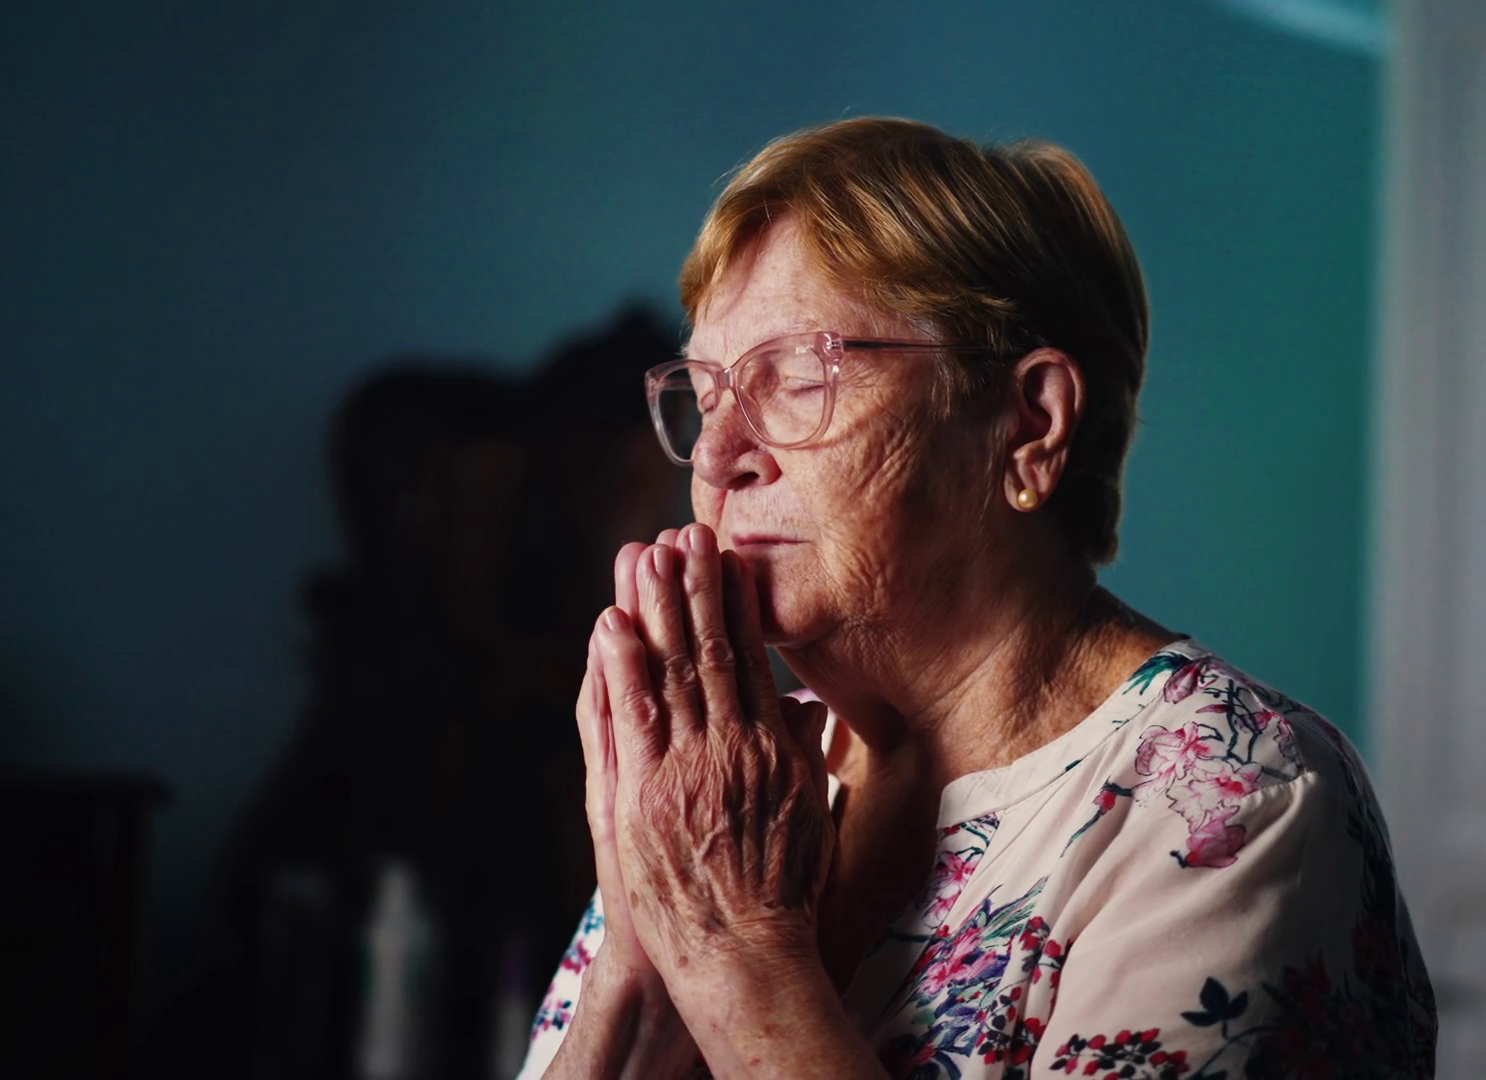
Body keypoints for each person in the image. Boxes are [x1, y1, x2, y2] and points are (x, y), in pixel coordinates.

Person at [519, 117, 1436, 1080]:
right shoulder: (721, 781)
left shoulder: (1238, 801)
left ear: (1030, 423)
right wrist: (639, 961)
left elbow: (724, 944)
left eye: (793, 378)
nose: (714, 458)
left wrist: (729, 944)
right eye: (706, 395)